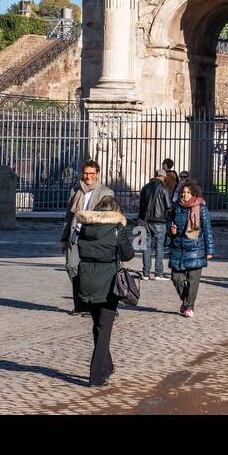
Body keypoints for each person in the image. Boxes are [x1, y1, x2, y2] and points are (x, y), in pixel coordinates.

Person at [74, 195, 135, 387]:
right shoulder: (117, 228)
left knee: (98, 326)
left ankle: (106, 366)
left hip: (86, 278)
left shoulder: (85, 226)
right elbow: (128, 254)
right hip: (108, 280)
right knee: (104, 328)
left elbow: (79, 248)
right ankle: (96, 376)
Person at [62, 160, 114, 315]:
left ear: (97, 174)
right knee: (71, 267)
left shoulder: (106, 193)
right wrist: (64, 238)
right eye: (85, 173)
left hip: (93, 238)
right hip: (75, 235)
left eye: (91, 174)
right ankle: (83, 300)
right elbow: (68, 216)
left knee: (90, 272)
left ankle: (86, 304)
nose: (88, 177)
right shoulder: (76, 191)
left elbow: (109, 217)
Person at [166, 180, 214, 317]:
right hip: (178, 247)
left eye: (188, 193)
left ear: (193, 194)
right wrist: (171, 229)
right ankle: (186, 300)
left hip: (195, 248)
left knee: (193, 280)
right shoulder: (176, 207)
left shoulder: (200, 207)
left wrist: (210, 250)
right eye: (183, 192)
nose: (185, 195)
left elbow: (207, 229)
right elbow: (169, 223)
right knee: (176, 277)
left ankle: (189, 306)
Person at [137, 169, 174, 281]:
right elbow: (168, 206)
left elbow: (141, 206)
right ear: (163, 177)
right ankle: (158, 273)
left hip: (145, 222)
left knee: (146, 247)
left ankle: (145, 273)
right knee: (159, 247)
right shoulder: (163, 188)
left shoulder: (145, 188)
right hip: (159, 222)